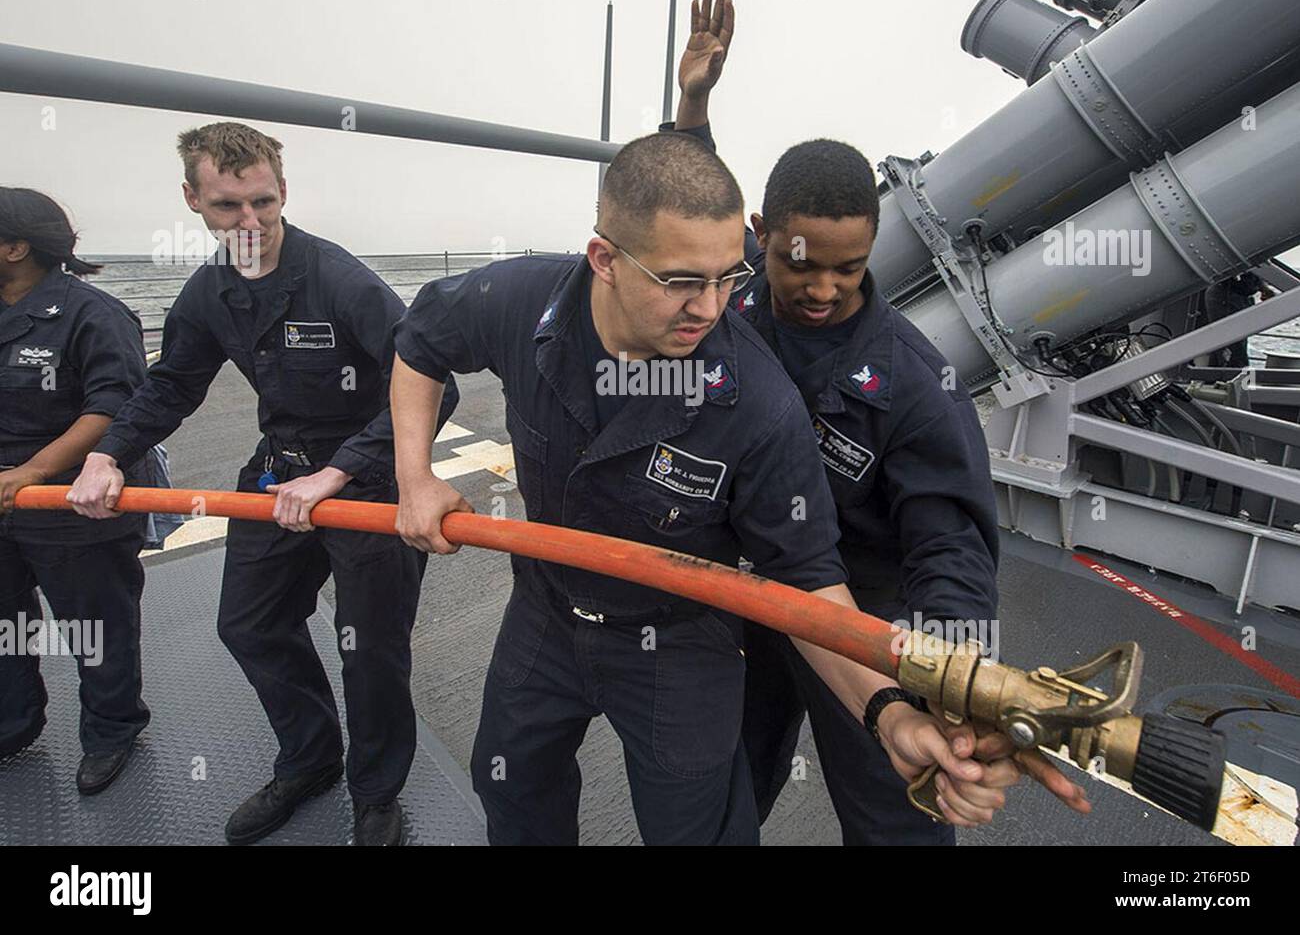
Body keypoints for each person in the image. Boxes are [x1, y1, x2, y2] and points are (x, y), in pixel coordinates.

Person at [388, 130, 1081, 845]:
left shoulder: (785, 398)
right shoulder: (520, 300)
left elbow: (851, 572)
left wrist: (912, 707)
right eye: (684, 282)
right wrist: (414, 476)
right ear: (604, 261)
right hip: (555, 611)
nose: (711, 307)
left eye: (726, 280)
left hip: (735, 624)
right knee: (513, 786)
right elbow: (423, 338)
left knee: (799, 816)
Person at [663, 0, 1091, 842]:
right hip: (748, 593)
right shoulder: (736, 292)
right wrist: (693, 105)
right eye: (801, 265)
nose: (823, 288)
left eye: (849, 267)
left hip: (864, 620)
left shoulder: (914, 380)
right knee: (715, 789)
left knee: (897, 811)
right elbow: (686, 206)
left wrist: (954, 674)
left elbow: (951, 542)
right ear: (762, 237)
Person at [67, 122, 457, 846]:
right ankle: (310, 759)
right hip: (278, 470)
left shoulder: (339, 279)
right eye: (226, 207)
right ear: (193, 200)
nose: (249, 223)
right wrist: (109, 455)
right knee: (250, 623)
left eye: (263, 203)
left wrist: (339, 472)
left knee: (368, 646)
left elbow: (436, 387)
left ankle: (376, 794)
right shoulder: (209, 291)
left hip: (369, 473)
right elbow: (172, 384)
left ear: (284, 192)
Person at [0, 187, 150, 795]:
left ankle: (113, 730)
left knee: (95, 626)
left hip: (69, 501)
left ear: (15, 247)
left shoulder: (95, 314)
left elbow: (115, 406)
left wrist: (33, 472)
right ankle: (13, 724)